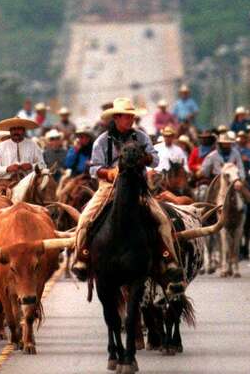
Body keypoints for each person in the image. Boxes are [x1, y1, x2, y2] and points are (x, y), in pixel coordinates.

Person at [69, 98, 183, 291]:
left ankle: (169, 260)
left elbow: (155, 160)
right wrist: (109, 172)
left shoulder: (141, 137)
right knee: (85, 219)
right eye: (127, 116)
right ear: (116, 117)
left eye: (132, 116)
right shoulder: (102, 140)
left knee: (163, 219)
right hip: (108, 188)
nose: (131, 119)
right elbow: (93, 168)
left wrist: (142, 157)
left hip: (137, 186)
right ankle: (82, 258)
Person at [0, 116, 43, 191]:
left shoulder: (33, 145)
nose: (16, 132)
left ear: (24, 130)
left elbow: (43, 165)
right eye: (13, 129)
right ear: (10, 131)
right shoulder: (1, 146)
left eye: (19, 129)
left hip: (29, 183)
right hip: (5, 184)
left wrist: (31, 166)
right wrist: (7, 169)